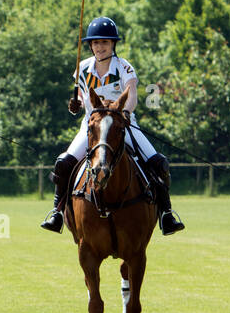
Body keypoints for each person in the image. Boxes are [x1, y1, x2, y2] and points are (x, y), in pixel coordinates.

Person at [40, 16, 184, 236]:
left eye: (105, 42)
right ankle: (57, 211)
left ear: (113, 44)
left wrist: (126, 112)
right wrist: (75, 105)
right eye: (96, 43)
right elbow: (80, 97)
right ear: (90, 45)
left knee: (159, 164)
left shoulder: (124, 67)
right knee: (63, 163)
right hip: (93, 129)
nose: (100, 47)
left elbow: (132, 94)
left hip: (122, 126)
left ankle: (166, 213)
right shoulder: (82, 68)